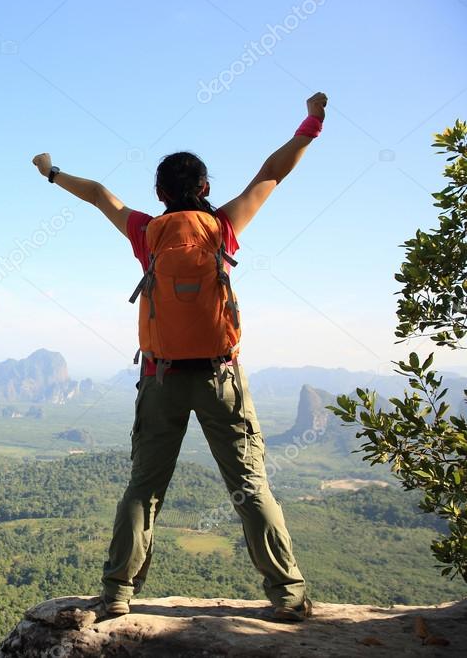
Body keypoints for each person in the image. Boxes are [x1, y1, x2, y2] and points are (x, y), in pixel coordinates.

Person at [30, 91, 327, 622]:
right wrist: (310, 124)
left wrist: (52, 173)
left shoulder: (148, 232)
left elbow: (99, 193)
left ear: (161, 193)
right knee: (249, 486)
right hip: (221, 379)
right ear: (206, 188)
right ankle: (287, 594)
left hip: (161, 379)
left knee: (144, 487)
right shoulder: (223, 227)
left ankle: (118, 593)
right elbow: (272, 172)